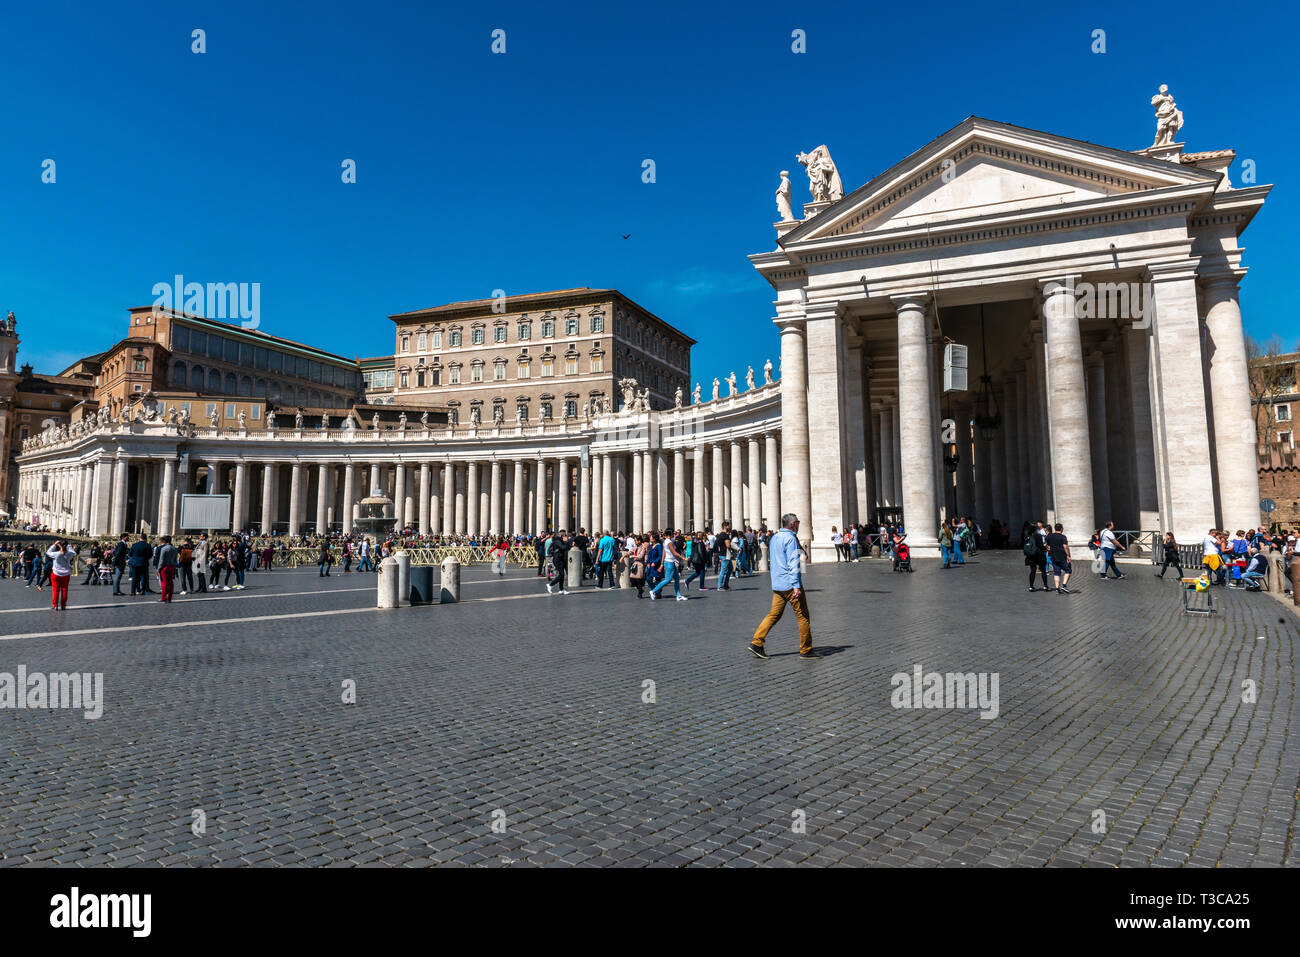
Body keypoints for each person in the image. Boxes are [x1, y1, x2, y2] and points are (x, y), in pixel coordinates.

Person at [748, 514, 819, 660]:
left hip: (778, 584)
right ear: (793, 524)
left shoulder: (775, 537)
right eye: (798, 522)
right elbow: (793, 563)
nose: (799, 525)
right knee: (803, 616)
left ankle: (757, 642)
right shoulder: (790, 539)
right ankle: (806, 649)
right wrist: (796, 586)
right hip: (790, 584)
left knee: (773, 615)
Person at [650, 532, 686, 601]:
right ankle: (653, 591)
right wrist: (683, 558)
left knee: (677, 579)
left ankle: (678, 596)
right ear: (670, 534)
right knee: (668, 580)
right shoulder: (669, 542)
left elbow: (664, 552)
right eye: (673, 533)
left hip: (668, 561)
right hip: (670, 562)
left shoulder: (665, 541)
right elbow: (674, 552)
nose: (674, 535)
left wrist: (662, 563)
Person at [45, 539, 77, 610]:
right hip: (66, 574)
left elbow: (48, 552)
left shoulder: (56, 554)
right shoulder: (69, 554)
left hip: (56, 573)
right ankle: (63, 605)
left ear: (60, 546)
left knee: (55, 590)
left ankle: (55, 605)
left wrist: (55, 545)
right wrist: (68, 545)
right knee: (64, 590)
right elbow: (73, 552)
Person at [1045, 523, 1072, 594]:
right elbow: (1065, 546)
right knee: (1068, 570)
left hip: (1053, 556)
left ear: (1055, 528)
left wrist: (1049, 549)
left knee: (1056, 572)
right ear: (1061, 529)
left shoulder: (1050, 536)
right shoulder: (1063, 537)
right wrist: (1068, 555)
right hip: (1062, 557)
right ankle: (1064, 585)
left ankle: (1057, 589)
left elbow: (1046, 544)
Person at [1024, 525, 1049, 592]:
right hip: (1039, 555)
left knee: (1032, 571)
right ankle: (1045, 586)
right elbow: (1041, 546)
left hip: (1031, 556)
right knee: (1043, 570)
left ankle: (1031, 586)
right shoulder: (1038, 536)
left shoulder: (1027, 536)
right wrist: (1045, 547)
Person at [156, 536, 180, 602]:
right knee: (170, 582)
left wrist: (158, 569)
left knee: (164, 582)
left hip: (164, 567)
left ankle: (163, 597)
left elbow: (161, 560)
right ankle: (169, 597)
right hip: (172, 566)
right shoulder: (174, 548)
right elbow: (175, 560)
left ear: (164, 541)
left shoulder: (164, 549)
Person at [547, 530, 570, 595]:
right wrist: (566, 542)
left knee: (562, 575)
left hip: (560, 558)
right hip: (557, 559)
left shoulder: (558, 540)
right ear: (562, 535)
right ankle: (551, 584)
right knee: (561, 575)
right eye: (565, 535)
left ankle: (561, 589)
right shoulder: (557, 541)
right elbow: (564, 548)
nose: (565, 536)